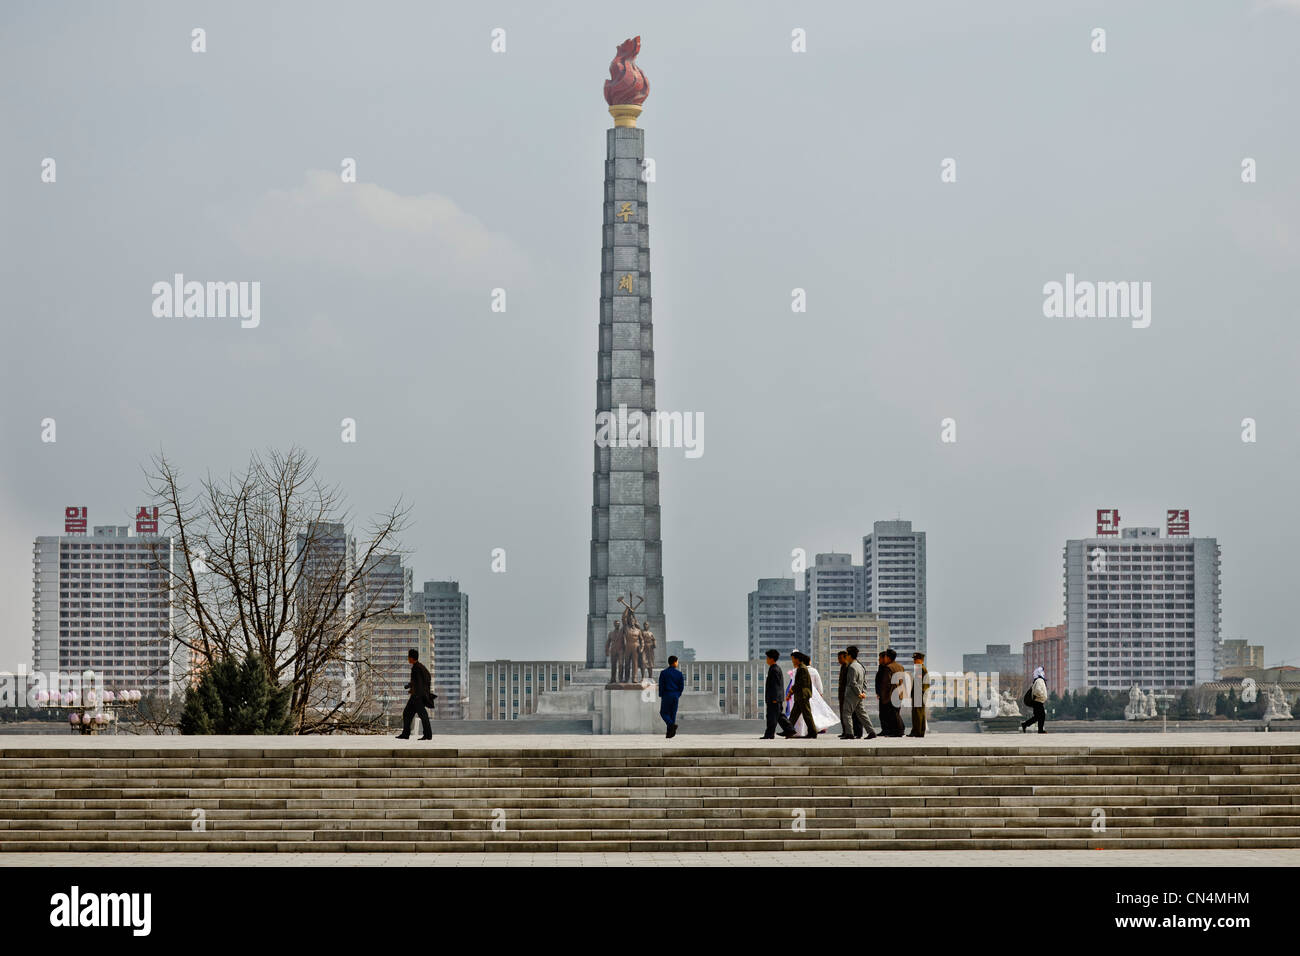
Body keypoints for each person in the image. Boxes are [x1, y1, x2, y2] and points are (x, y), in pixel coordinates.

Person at [396, 648, 434, 740]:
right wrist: (409, 685)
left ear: (412, 658)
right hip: (417, 696)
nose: (408, 659)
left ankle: (427, 735)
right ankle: (406, 734)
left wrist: (418, 693)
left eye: (408, 657)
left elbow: (419, 682)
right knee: (408, 714)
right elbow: (423, 679)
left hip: (417, 697)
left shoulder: (416, 668)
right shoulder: (420, 667)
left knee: (421, 715)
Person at [842, 645, 877, 740]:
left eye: (847, 655)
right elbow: (865, 681)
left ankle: (849, 733)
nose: (846, 657)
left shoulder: (852, 667)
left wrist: (858, 693)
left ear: (849, 655)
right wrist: (863, 692)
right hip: (859, 695)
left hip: (852, 694)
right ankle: (871, 731)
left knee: (846, 713)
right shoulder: (860, 666)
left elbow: (852, 682)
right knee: (862, 714)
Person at [762, 650, 795, 739]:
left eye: (767, 658)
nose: (766, 660)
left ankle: (770, 734)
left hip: (774, 698)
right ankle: (789, 730)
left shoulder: (774, 669)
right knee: (778, 716)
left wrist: (775, 698)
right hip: (775, 698)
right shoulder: (774, 668)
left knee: (772, 717)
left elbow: (776, 685)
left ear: (771, 659)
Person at [785, 652, 817, 739]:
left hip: (802, 695)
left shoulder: (802, 668)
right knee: (794, 715)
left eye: (793, 659)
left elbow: (800, 683)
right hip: (800, 695)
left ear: (797, 659)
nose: (792, 661)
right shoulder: (800, 668)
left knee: (807, 714)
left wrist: (791, 691)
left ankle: (813, 732)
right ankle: (788, 731)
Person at [658, 654, 684, 738]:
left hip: (666, 695)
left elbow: (661, 685)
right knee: (672, 714)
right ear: (674, 662)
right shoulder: (679, 674)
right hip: (675, 696)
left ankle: (671, 728)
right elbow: (681, 686)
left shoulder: (664, 673)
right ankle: (670, 733)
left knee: (663, 713)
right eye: (677, 662)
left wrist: (661, 695)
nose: (677, 663)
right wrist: (678, 694)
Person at [907, 651, 930, 738]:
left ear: (921, 660)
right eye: (914, 659)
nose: (914, 661)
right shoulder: (919, 669)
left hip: (919, 694)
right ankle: (917, 731)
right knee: (917, 713)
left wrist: (921, 693)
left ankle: (918, 731)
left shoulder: (922, 669)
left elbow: (925, 683)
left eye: (916, 659)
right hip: (917, 694)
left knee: (918, 714)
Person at [1021, 665, 1048, 734]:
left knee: (1037, 717)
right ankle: (1040, 730)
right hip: (1038, 701)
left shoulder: (1039, 680)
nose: (1044, 673)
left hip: (1038, 701)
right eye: (1043, 672)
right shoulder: (1039, 680)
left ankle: (1025, 724)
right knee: (1042, 716)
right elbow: (1037, 690)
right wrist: (1042, 695)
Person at [836, 651, 853, 739]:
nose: (838, 660)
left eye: (840, 658)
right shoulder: (843, 667)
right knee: (842, 713)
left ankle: (848, 732)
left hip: (846, 695)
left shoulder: (848, 667)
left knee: (846, 714)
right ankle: (845, 731)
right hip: (842, 694)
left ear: (845, 657)